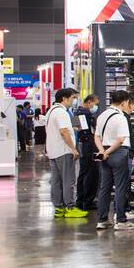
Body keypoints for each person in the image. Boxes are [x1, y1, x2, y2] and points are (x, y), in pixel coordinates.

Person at [95, 90, 134, 232]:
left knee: (105, 188)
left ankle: (102, 220)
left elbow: (96, 137)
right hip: (118, 153)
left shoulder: (102, 115)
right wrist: (108, 152)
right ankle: (121, 221)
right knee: (120, 187)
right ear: (124, 102)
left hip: (105, 154)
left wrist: (102, 151)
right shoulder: (120, 118)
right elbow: (121, 140)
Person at [45, 88, 86, 219]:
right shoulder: (62, 113)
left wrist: (72, 128)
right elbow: (63, 132)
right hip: (64, 151)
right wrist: (73, 149)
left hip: (53, 151)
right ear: (64, 98)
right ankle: (70, 207)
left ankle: (59, 208)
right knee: (69, 180)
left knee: (56, 181)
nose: (74, 101)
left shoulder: (51, 111)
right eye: (73, 98)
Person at [74, 94, 101, 210]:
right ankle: (88, 201)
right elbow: (87, 130)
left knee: (83, 173)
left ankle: (80, 200)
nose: (95, 107)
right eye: (95, 104)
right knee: (92, 173)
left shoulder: (77, 111)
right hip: (89, 145)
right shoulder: (85, 113)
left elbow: (78, 129)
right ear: (89, 102)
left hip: (82, 144)